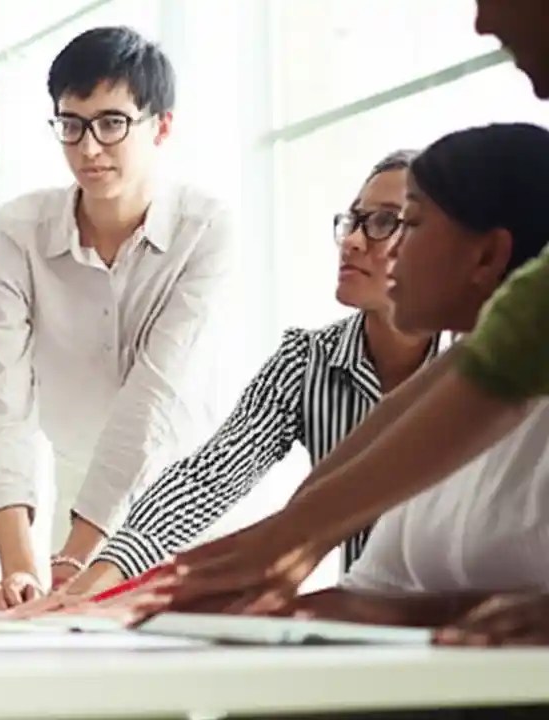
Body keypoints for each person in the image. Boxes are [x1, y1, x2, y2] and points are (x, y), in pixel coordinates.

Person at [148, 0, 549, 628]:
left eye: (402, 223)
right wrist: (271, 562)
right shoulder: (365, 374)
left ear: (488, 255)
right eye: (358, 220)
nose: (481, 23)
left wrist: (287, 542)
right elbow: (212, 479)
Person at [22, 150, 438, 607]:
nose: (354, 241)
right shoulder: (307, 361)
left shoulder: (480, 365)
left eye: (384, 222)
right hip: (375, 639)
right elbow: (206, 479)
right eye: (354, 220)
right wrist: (91, 587)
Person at [0, 25, 236, 614]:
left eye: (112, 123)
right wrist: (21, 568)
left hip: (182, 495)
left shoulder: (205, 229)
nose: (89, 148)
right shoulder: (19, 231)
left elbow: (154, 397)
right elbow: (0, 400)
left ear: (161, 126)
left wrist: (73, 562)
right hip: (76, 492)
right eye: (72, 124)